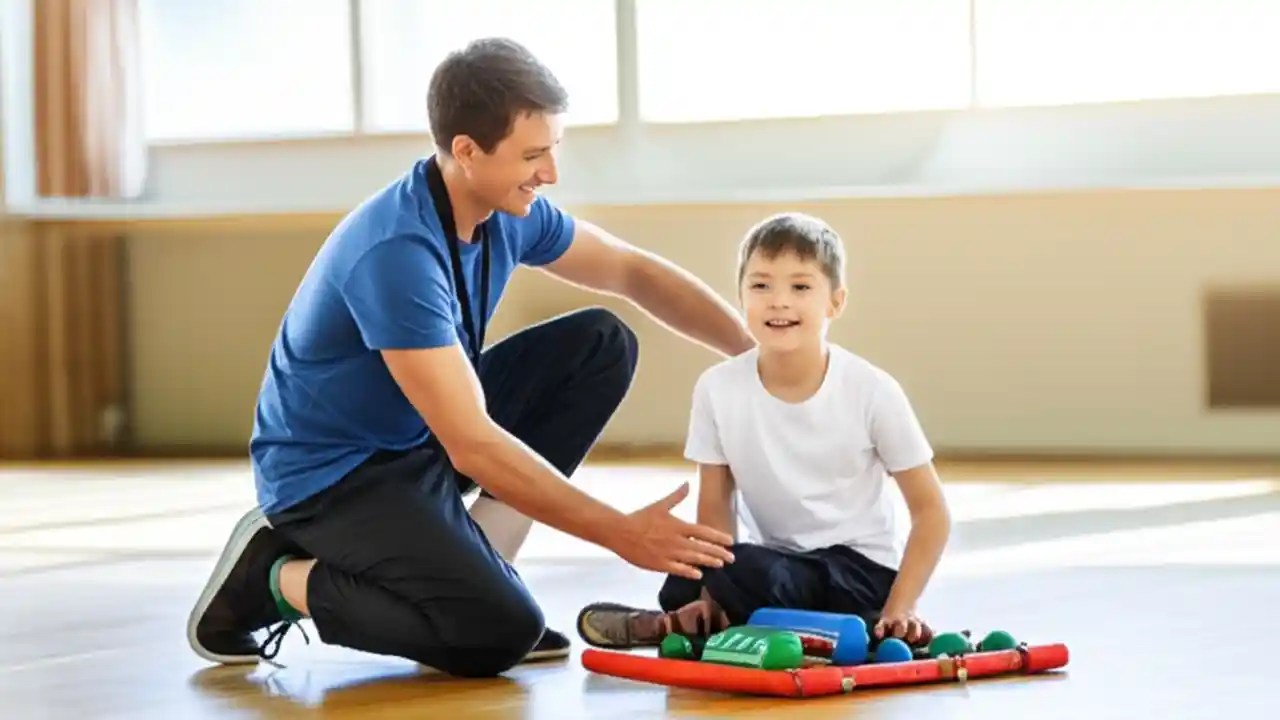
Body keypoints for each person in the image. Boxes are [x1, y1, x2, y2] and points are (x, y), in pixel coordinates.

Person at [185, 37, 754, 677]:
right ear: (466, 151)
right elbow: (473, 447)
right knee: (498, 634)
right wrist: (620, 531)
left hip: (415, 435)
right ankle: (271, 577)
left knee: (600, 345)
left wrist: (756, 355)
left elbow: (630, 270)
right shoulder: (397, 253)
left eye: (553, 149)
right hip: (335, 477)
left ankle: (483, 571)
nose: (550, 173)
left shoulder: (507, 210)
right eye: (532, 155)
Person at [576, 212, 952, 651]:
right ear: (741, 297)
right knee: (694, 568)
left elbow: (932, 512)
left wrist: (902, 607)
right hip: (774, 566)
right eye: (760, 286)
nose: (779, 302)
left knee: (744, 572)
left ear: (835, 302)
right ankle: (715, 617)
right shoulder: (717, 388)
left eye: (800, 287)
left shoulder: (872, 390)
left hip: (859, 572)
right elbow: (715, 506)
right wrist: (709, 589)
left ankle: (689, 626)